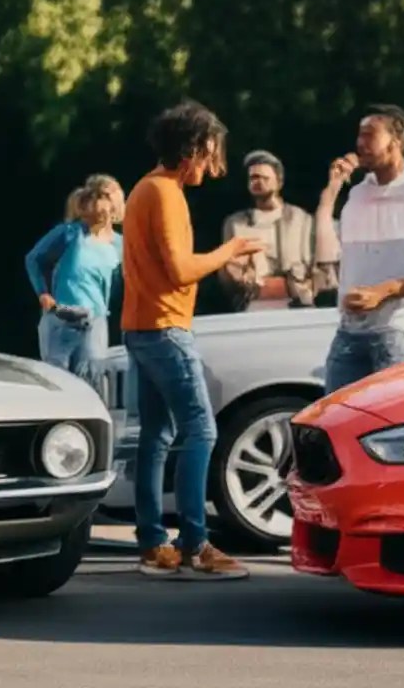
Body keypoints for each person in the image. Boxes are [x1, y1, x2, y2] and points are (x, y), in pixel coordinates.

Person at [121, 99, 263, 579]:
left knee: (158, 434)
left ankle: (151, 543)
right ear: (191, 148)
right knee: (200, 430)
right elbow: (182, 270)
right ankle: (196, 544)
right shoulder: (163, 193)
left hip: (143, 326)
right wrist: (229, 250)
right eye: (209, 151)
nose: (212, 162)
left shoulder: (147, 188)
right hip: (164, 328)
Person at [313, 104, 404, 393]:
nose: (359, 143)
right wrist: (331, 191)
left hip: (398, 332)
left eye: (369, 135)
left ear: (396, 142)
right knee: (335, 420)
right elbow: (327, 255)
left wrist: (383, 291)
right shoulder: (357, 195)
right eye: (359, 135)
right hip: (349, 331)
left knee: (391, 427)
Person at [24, 182, 123, 391]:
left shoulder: (119, 245)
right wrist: (43, 292)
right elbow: (33, 258)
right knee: (57, 381)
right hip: (62, 314)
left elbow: (118, 283)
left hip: (94, 319)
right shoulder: (69, 233)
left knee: (92, 380)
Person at [218, 150, 338, 310]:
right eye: (253, 178)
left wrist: (305, 287)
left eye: (264, 178)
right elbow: (228, 272)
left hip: (300, 305)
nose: (258, 182)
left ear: (279, 182)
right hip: (253, 307)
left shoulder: (302, 220)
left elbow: (321, 266)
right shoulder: (235, 224)